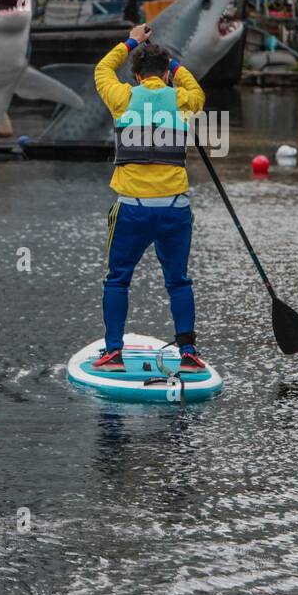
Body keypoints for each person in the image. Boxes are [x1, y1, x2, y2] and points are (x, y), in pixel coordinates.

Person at [93, 23, 207, 372]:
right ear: (166, 74)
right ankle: (188, 354)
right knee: (178, 281)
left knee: (117, 279)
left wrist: (131, 40)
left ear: (138, 75)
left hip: (133, 209)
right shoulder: (182, 99)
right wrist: (174, 66)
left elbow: (102, 69)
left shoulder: (124, 97)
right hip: (175, 208)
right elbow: (195, 89)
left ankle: (113, 353)